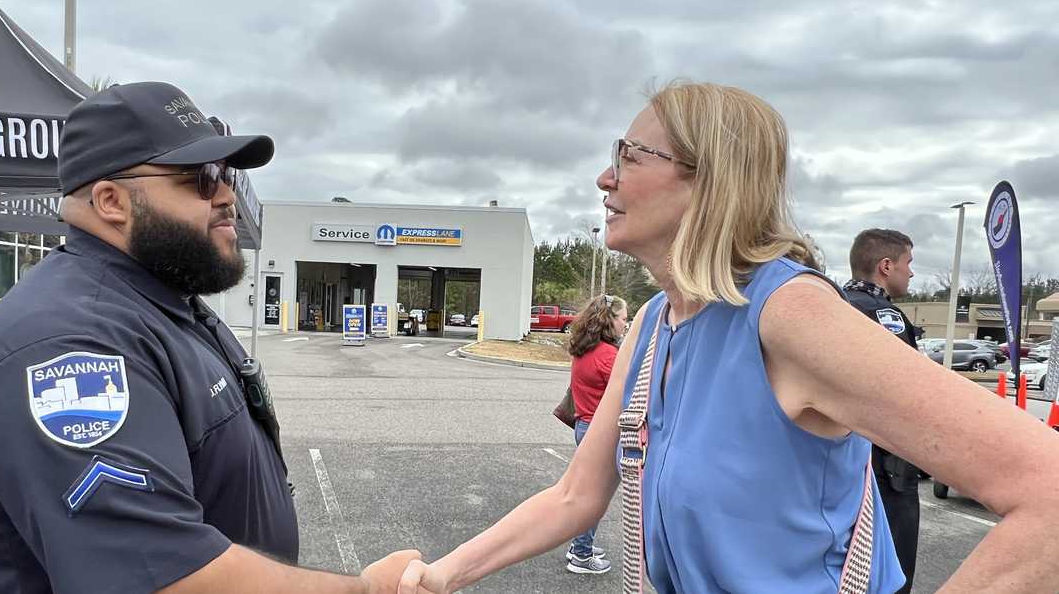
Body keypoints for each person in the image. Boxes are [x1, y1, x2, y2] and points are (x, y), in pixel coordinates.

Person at [395, 80, 1059, 593]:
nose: (606, 177)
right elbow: (576, 495)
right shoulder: (656, 320)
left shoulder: (790, 312)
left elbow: (1048, 492)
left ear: (710, 178)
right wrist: (442, 574)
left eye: (628, 155)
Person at [0, 82, 417, 594]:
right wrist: (363, 591)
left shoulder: (162, 303)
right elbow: (161, 576)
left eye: (227, 175)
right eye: (202, 179)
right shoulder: (65, 343)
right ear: (111, 201)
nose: (228, 195)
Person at [844, 228, 922, 593]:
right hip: (886, 469)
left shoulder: (833, 303)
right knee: (891, 573)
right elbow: (908, 393)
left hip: (841, 464)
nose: (911, 273)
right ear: (886, 266)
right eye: (909, 263)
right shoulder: (885, 316)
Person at [564, 294, 628, 575]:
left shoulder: (582, 349)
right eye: (624, 319)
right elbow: (631, 394)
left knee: (585, 491)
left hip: (583, 425)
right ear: (610, 320)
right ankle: (581, 554)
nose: (626, 324)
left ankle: (579, 545)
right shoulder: (609, 356)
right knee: (594, 497)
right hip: (600, 432)